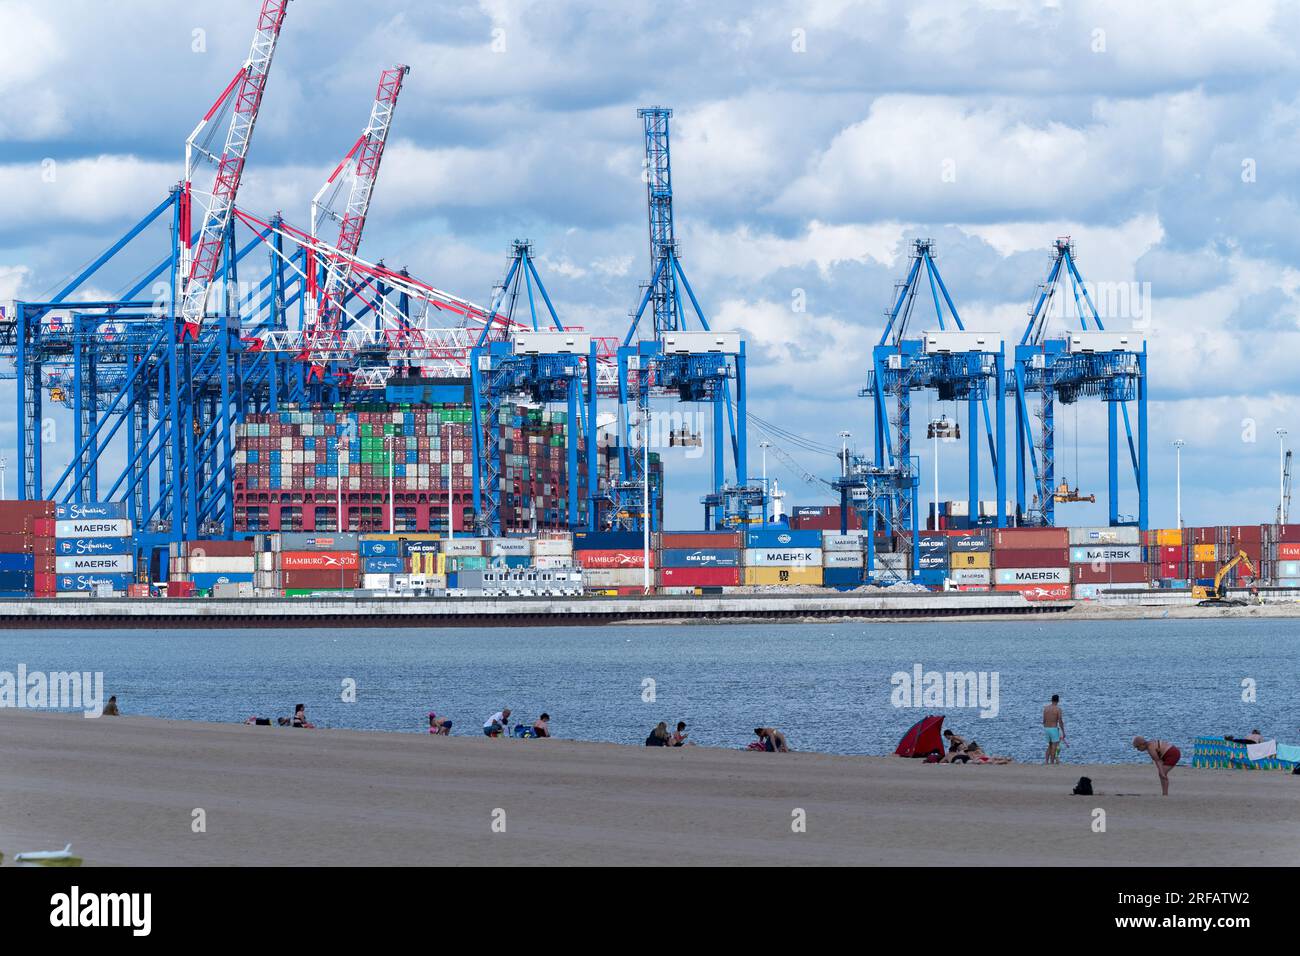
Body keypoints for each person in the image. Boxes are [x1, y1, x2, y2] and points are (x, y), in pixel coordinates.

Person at [1043, 694, 1066, 764]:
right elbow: (1060, 721)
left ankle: (1046, 762)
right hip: (1053, 729)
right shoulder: (1058, 709)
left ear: (1051, 700)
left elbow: (1044, 720)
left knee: (1049, 745)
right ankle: (1052, 762)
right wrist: (1063, 731)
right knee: (1054, 746)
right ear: (1058, 700)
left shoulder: (1046, 708)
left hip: (1046, 728)